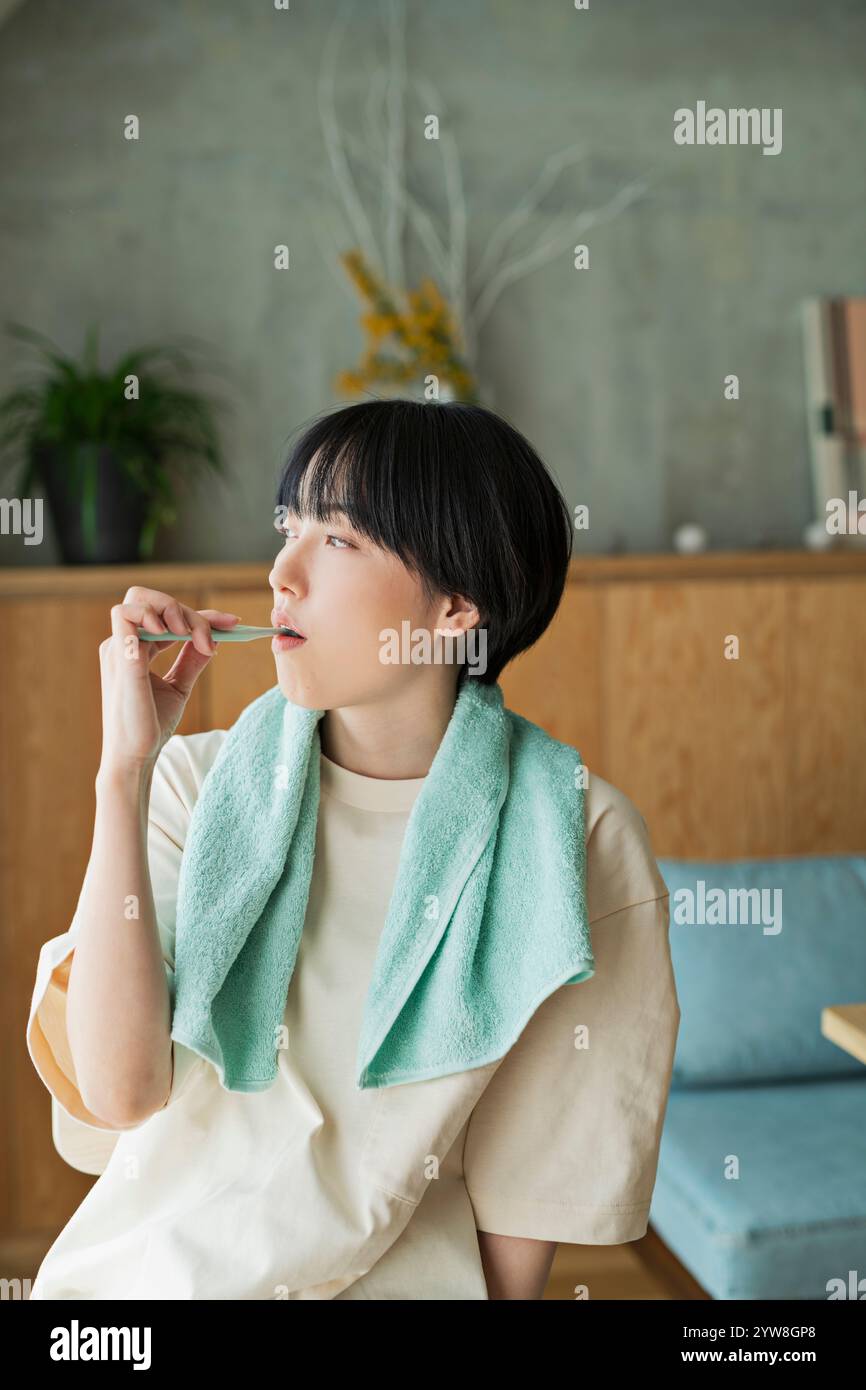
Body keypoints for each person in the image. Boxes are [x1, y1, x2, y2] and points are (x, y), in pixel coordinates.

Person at [26, 397, 680, 1300]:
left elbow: (541, 1173)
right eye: (290, 526)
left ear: (454, 609)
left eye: (338, 540)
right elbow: (122, 1090)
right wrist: (122, 774)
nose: (281, 572)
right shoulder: (191, 784)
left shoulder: (577, 835)